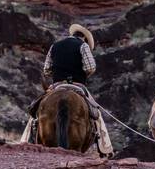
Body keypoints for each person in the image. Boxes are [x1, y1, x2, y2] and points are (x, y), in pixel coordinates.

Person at [20, 24, 114, 156]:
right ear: (84, 38)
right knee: (96, 114)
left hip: (57, 85)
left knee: (34, 113)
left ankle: (25, 142)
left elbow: (46, 70)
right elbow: (90, 67)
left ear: (72, 34)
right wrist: (80, 74)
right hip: (77, 85)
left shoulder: (55, 46)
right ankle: (105, 149)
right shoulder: (83, 46)